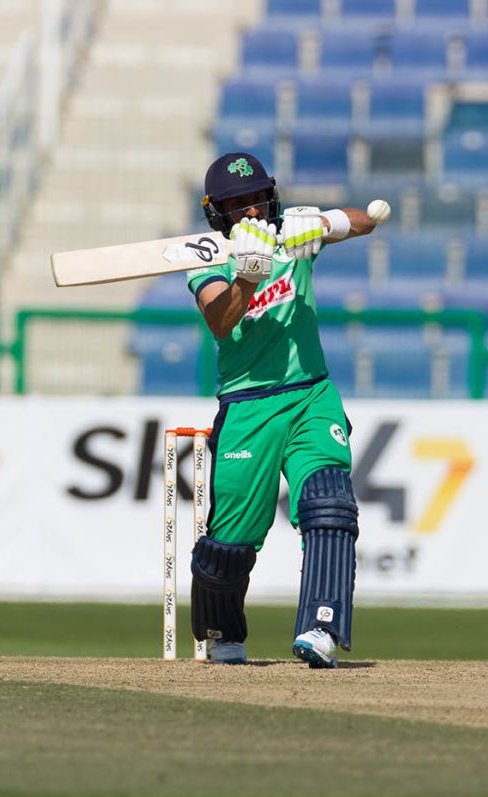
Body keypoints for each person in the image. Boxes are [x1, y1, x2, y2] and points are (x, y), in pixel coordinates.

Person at [186, 151, 385, 667]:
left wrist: (322, 223)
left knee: (329, 504)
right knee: (230, 542)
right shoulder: (207, 257)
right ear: (218, 213)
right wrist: (248, 277)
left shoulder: (292, 233)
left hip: (310, 394)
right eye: (238, 204)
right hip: (248, 406)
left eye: (258, 199)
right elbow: (221, 322)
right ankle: (222, 631)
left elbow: (365, 221)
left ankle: (322, 627)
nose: (252, 211)